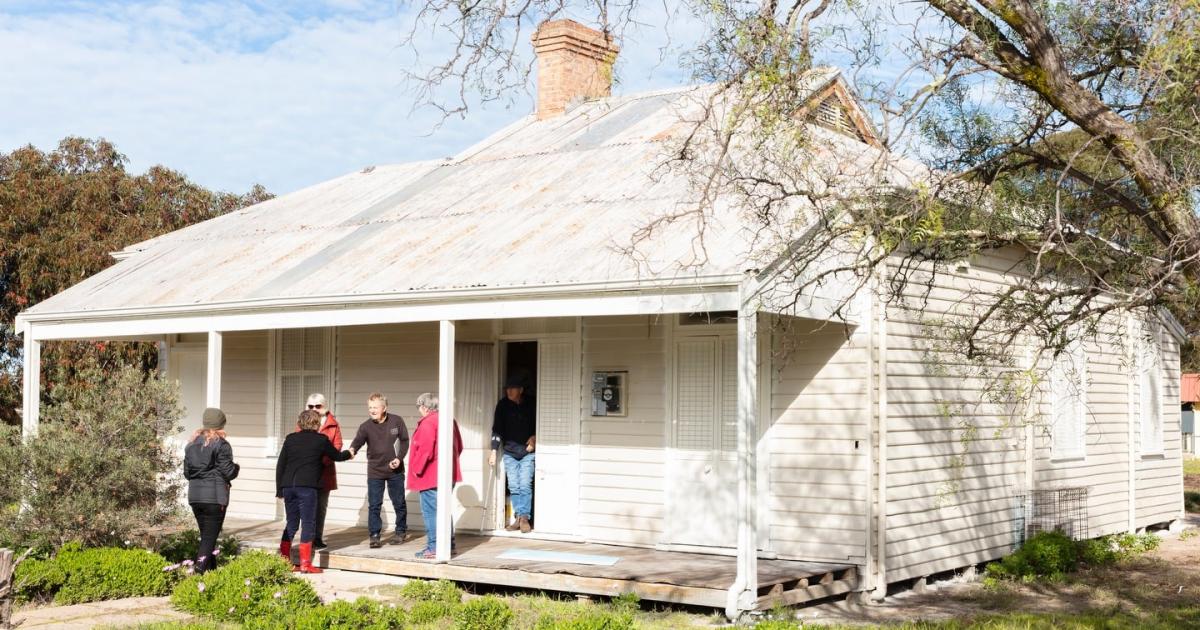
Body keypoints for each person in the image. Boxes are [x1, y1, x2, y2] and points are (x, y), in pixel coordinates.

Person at [276, 409, 353, 573]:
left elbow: (281, 465)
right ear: (317, 424)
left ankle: (284, 562)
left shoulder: (290, 439)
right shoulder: (321, 440)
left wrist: (279, 489)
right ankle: (305, 564)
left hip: (289, 487)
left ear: (299, 423)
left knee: (291, 523)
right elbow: (337, 456)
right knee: (309, 524)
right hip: (308, 488)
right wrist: (350, 453)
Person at [348, 393, 410, 548]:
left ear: (384, 408)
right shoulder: (366, 427)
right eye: (370, 407)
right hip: (375, 471)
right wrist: (352, 450)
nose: (372, 410)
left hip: (395, 470)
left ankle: (400, 531)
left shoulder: (396, 421)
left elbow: (404, 441)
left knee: (399, 502)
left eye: (375, 407)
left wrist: (399, 458)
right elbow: (357, 442)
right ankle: (374, 535)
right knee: (374, 504)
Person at [183, 407, 240, 574]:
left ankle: (212, 573)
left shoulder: (191, 445)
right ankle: (198, 572)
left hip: (195, 497)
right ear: (221, 424)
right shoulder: (222, 445)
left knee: (207, 537)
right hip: (215, 498)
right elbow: (228, 471)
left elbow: (187, 473)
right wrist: (236, 468)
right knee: (209, 538)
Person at [407, 392, 463, 559]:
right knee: (444, 510)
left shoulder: (428, 423)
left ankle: (434, 547)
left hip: (430, 475)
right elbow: (459, 446)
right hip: (448, 473)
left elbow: (425, 450)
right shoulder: (449, 420)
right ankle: (449, 545)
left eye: (419, 408)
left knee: (431, 512)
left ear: (424, 407)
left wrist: (417, 469)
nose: (420, 411)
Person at [489, 375, 536, 533]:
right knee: (514, 486)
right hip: (509, 452)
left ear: (521, 390)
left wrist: (535, 437)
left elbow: (542, 422)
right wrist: (494, 451)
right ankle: (519, 517)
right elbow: (497, 429)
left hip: (527, 452)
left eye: (512, 388)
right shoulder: (502, 405)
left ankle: (524, 518)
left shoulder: (531, 403)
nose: (509, 391)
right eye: (507, 388)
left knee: (525, 484)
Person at [300, 393, 342, 550]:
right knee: (307, 506)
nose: (314, 409)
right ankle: (306, 538)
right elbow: (299, 442)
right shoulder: (302, 422)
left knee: (320, 507)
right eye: (311, 406)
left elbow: (337, 445)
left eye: (318, 406)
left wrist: (324, 460)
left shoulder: (333, 424)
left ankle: (317, 537)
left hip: (324, 471)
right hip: (307, 471)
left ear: (325, 407)